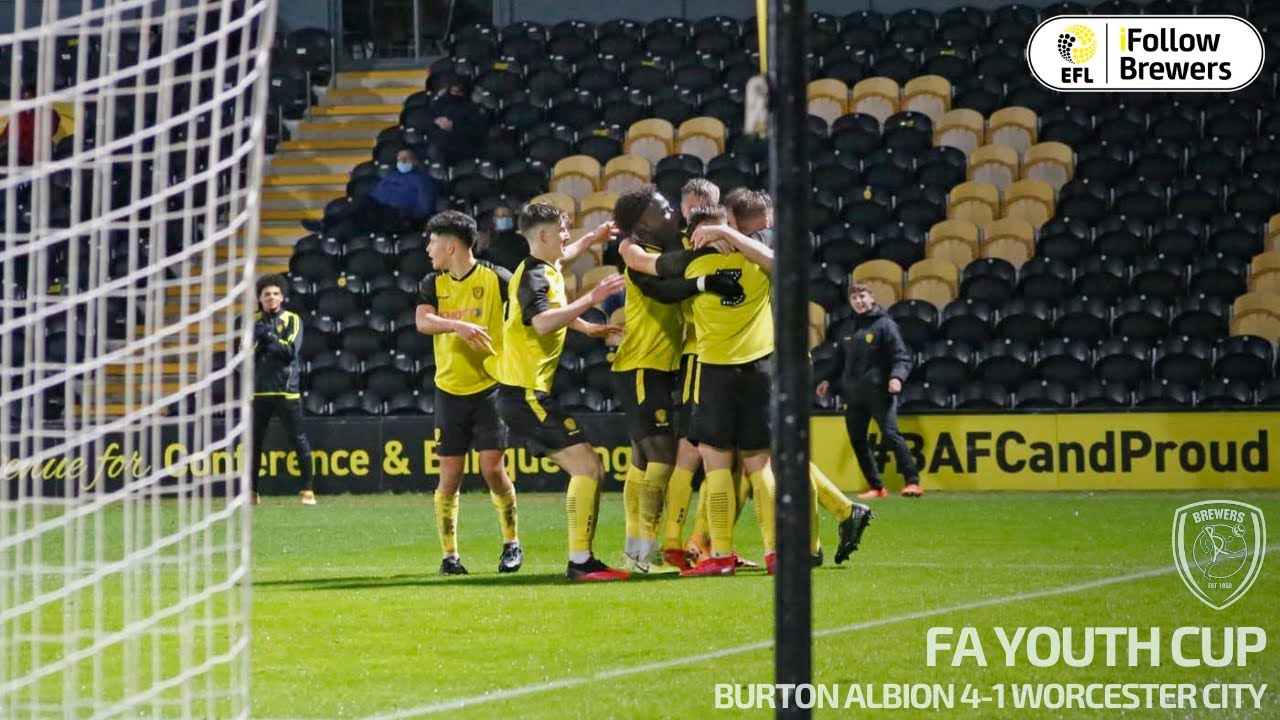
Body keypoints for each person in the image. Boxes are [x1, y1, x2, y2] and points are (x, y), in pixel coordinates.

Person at [484, 203, 630, 581]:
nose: (566, 237)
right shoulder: (535, 276)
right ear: (544, 235)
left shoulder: (540, 266)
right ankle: (581, 563)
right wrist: (591, 299)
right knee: (588, 466)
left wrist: (587, 327)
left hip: (523, 392)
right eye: (562, 230)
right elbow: (544, 321)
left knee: (590, 467)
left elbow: (564, 260)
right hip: (524, 392)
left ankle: (583, 560)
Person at [609, 188, 743, 574]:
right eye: (665, 210)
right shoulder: (638, 253)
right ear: (643, 224)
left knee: (641, 462)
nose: (673, 215)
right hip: (640, 366)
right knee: (662, 458)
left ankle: (637, 553)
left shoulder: (665, 247)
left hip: (661, 366)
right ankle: (641, 553)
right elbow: (664, 287)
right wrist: (704, 271)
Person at [415, 211, 522, 576]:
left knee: (493, 469)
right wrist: (458, 325)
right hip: (449, 390)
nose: (428, 248)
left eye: (432, 242)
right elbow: (423, 321)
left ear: (451, 245)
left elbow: (534, 305)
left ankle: (511, 543)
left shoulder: (496, 277)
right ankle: (450, 556)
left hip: (490, 387)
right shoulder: (433, 282)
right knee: (451, 475)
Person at [818, 282, 924, 498]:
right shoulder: (846, 328)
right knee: (857, 440)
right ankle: (876, 486)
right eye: (855, 298)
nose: (859, 301)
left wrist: (897, 377)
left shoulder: (885, 325)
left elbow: (902, 356)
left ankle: (912, 481)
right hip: (853, 394)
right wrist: (827, 380)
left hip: (880, 393)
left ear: (872, 298)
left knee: (890, 434)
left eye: (862, 296)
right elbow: (839, 361)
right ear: (850, 302)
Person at [249, 274, 316, 505]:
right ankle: (251, 493)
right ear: (259, 298)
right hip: (258, 392)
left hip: (287, 391)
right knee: (254, 444)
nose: (271, 297)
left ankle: (307, 490)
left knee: (298, 440)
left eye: (275, 293)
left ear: (282, 297)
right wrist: (269, 343)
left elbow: (290, 352)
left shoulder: (292, 320)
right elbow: (244, 355)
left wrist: (266, 336)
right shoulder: (250, 321)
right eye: (266, 294)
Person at [303, 147, 438, 235]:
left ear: (414, 161)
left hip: (398, 216)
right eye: (399, 159)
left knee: (362, 205)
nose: (402, 162)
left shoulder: (422, 180)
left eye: (405, 159)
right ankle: (325, 228)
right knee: (357, 209)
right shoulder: (390, 176)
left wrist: (409, 218)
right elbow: (375, 194)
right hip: (377, 211)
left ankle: (325, 224)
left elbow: (425, 208)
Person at [426, 74, 487, 164]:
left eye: (459, 92)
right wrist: (436, 122)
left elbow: (478, 129)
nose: (455, 94)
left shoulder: (473, 107)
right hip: (440, 142)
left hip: (465, 144)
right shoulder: (440, 103)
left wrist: (453, 127)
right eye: (453, 91)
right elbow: (428, 119)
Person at [0, 84, 60, 166]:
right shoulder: (18, 115)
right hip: (14, 157)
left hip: (35, 156)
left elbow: (46, 133)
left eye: (30, 96)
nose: (26, 99)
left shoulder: (49, 114)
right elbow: (5, 135)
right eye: (24, 97)